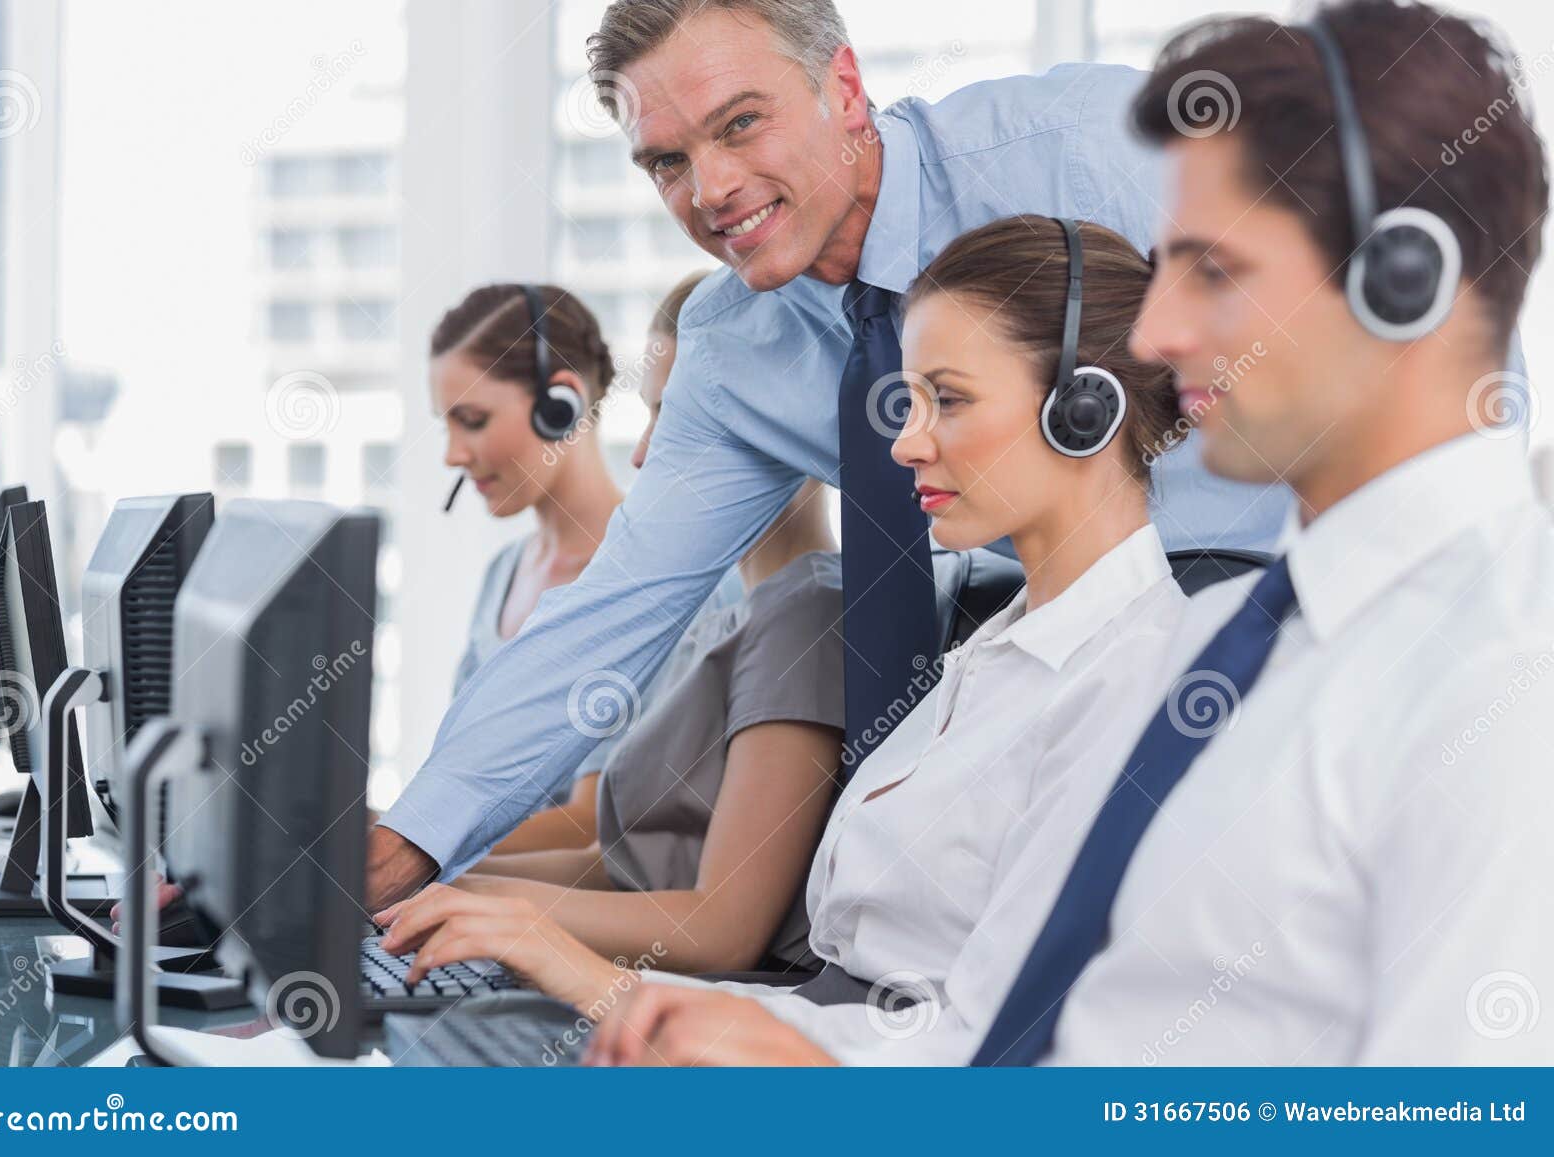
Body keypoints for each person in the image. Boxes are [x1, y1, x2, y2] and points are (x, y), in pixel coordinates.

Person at [587, 0, 1554, 1067]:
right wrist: (772, 1048)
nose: (1152, 333)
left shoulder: (1501, 668)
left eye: (1213, 270)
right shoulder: (1230, 638)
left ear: (1399, 276)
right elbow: (1004, 1033)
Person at [366, 0, 1317, 908]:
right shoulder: (735, 349)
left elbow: (1350, 320)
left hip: (1284, 622)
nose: (711, 190)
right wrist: (409, 843)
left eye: (740, 124)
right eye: (666, 161)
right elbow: (607, 616)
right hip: (1025, 668)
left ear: (845, 88)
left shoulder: (1086, 147)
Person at [376, 214, 1196, 1036]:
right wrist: (554, 961)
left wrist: (589, 976)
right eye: (907, 401)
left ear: (1085, 408)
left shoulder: (1132, 678)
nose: (904, 444)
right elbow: (827, 1005)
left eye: (946, 399)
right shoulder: (989, 653)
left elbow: (975, 1055)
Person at [440, 273, 845, 976]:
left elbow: (721, 927)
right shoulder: (724, 624)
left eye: (687, 416)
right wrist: (431, 877)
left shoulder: (806, 614)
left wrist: (466, 894)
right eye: (656, 414)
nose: (645, 453)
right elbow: (621, 861)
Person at [432, 282, 740, 855]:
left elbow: (595, 821)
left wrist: (412, 848)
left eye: (471, 420)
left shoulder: (659, 576)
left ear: (560, 406)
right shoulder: (504, 572)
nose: (451, 452)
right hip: (482, 904)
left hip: (574, 920)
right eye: (445, 424)